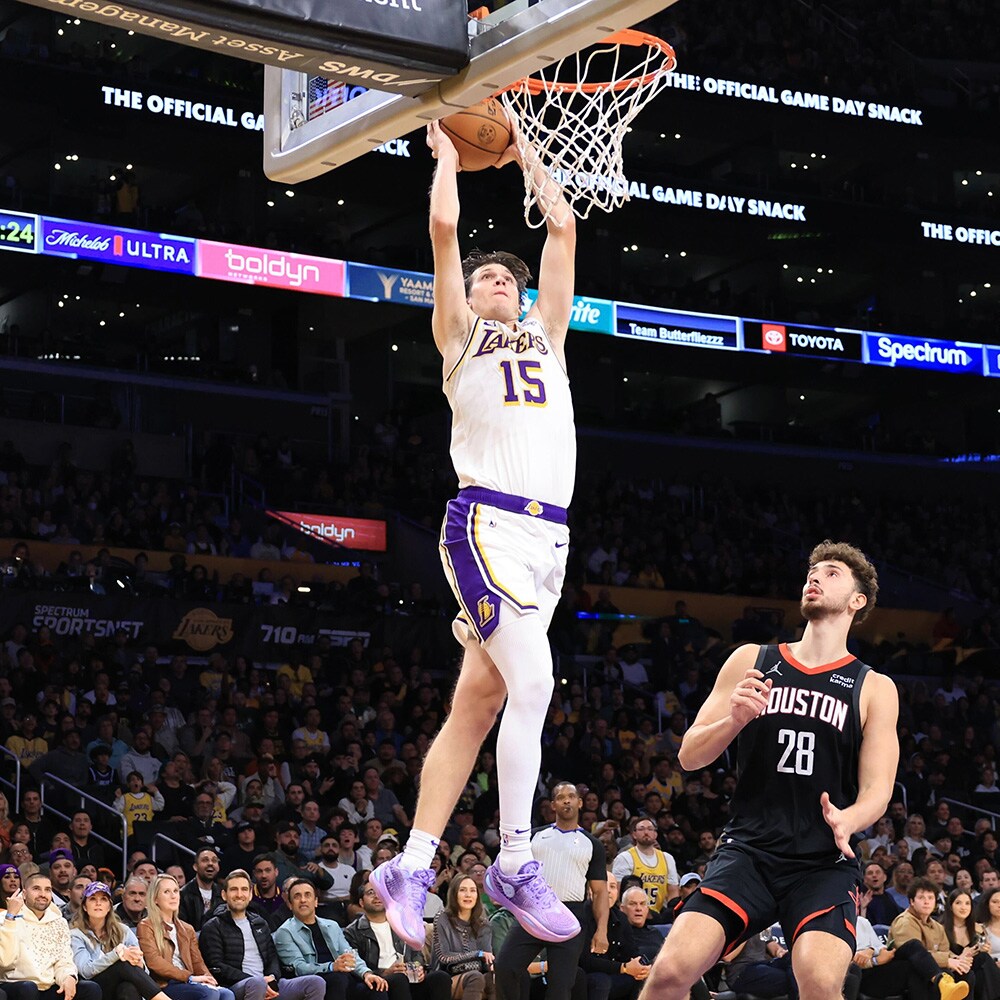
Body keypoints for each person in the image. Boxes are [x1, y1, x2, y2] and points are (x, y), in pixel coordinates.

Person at [371, 119, 580, 951]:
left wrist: (528, 153)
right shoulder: (458, 340)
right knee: (536, 684)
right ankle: (515, 857)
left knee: (478, 703)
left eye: (503, 276)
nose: (492, 278)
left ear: (522, 296)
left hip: (549, 544)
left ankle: (413, 862)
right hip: (483, 523)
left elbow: (561, 229)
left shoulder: (548, 338)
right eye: (484, 276)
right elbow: (445, 230)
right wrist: (451, 161)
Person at [641, 541, 900, 1000]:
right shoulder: (752, 659)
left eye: (832, 572)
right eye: (812, 570)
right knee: (669, 973)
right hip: (750, 850)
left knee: (819, 982)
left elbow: (878, 790)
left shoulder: (874, 687)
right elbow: (689, 756)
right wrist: (734, 720)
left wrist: (850, 819)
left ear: (858, 601)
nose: (815, 577)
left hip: (822, 861)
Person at [494, 782, 607, 1000]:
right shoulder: (534, 836)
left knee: (561, 986)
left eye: (571, 796)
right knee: (505, 966)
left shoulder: (592, 844)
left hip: (571, 913)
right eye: (561, 797)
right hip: (533, 909)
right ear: (553, 805)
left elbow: (600, 892)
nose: (566, 800)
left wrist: (601, 930)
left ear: (580, 802)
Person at [199, 869, 326, 1000]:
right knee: (257, 984)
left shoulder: (260, 923)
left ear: (249, 895)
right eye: (234, 889)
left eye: (244, 889)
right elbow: (217, 967)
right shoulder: (213, 926)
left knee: (316, 983)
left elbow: (272, 958)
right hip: (236, 986)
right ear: (224, 895)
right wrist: (257, 980)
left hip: (268, 983)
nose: (239, 894)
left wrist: (271, 978)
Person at [273, 878, 388, 999]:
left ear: (316, 901)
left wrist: (367, 973)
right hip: (316, 983)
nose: (303, 900)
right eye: (297, 896)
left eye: (307, 895)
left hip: (343, 979)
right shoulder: (285, 932)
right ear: (290, 905)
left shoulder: (331, 925)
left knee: (375, 986)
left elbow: (349, 955)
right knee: (338, 978)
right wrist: (331, 967)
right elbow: (299, 968)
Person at [344, 875, 450, 1000]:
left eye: (381, 892)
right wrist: (385, 972)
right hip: (379, 982)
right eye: (371, 893)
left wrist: (418, 968)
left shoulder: (402, 924)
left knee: (440, 977)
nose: (377, 896)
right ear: (361, 902)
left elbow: (417, 955)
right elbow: (356, 968)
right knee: (399, 979)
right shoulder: (352, 932)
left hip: (408, 978)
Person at [0, 872, 101, 1000]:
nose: (43, 894)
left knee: (90, 988)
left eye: (47, 890)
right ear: (24, 894)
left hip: (48, 986)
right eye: (36, 889)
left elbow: (64, 959)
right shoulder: (6, 918)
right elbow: (5, 962)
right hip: (15, 985)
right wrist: (10, 917)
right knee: (28, 988)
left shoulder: (59, 921)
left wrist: (68, 977)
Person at [136, 873, 237, 1000]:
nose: (173, 896)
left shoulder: (187, 929)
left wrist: (208, 978)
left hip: (189, 981)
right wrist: (188, 977)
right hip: (165, 984)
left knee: (227, 994)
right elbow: (154, 962)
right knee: (210, 994)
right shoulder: (146, 925)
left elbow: (197, 961)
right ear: (155, 899)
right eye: (166, 892)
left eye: (175, 891)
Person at [69, 880, 172, 1000]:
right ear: (85, 907)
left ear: (109, 906)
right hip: (94, 989)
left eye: (103, 899)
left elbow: (143, 972)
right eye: (92, 899)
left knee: (128, 988)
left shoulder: (123, 930)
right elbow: (86, 971)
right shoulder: (75, 935)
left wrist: (139, 963)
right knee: (122, 964)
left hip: (119, 988)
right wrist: (117, 954)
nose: (98, 903)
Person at [579, 873, 649, 1000]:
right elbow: (584, 961)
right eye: (604, 886)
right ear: (591, 890)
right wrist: (623, 968)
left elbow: (632, 952)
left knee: (643, 977)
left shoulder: (620, 918)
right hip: (585, 977)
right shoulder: (581, 915)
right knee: (601, 981)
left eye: (612, 887)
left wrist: (643, 967)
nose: (609, 892)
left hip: (615, 975)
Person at [432, 875, 494, 1000]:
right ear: (454, 894)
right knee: (475, 977)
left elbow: (487, 959)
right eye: (462, 890)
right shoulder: (443, 917)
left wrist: (493, 967)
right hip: (447, 976)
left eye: (472, 890)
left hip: (477, 974)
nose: (468, 895)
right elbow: (444, 957)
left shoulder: (484, 924)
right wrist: (477, 954)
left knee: (493, 978)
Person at [610, 817, 678, 916]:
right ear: (634, 834)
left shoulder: (667, 858)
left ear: (655, 834)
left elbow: (673, 893)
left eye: (650, 829)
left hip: (657, 914)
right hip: (631, 915)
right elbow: (618, 893)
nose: (646, 832)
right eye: (641, 829)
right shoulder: (625, 858)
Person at [942, 888, 1000, 1000]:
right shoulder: (941, 928)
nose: (964, 907)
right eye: (958, 903)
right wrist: (960, 958)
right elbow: (940, 953)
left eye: (967, 903)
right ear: (950, 906)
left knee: (983, 959)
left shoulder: (978, 928)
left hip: (974, 969)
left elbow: (985, 953)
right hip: (953, 970)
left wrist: (984, 950)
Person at [177, 847, 223, 932]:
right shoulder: (183, 895)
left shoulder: (223, 894)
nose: (210, 863)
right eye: (205, 860)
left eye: (214, 860)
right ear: (195, 867)